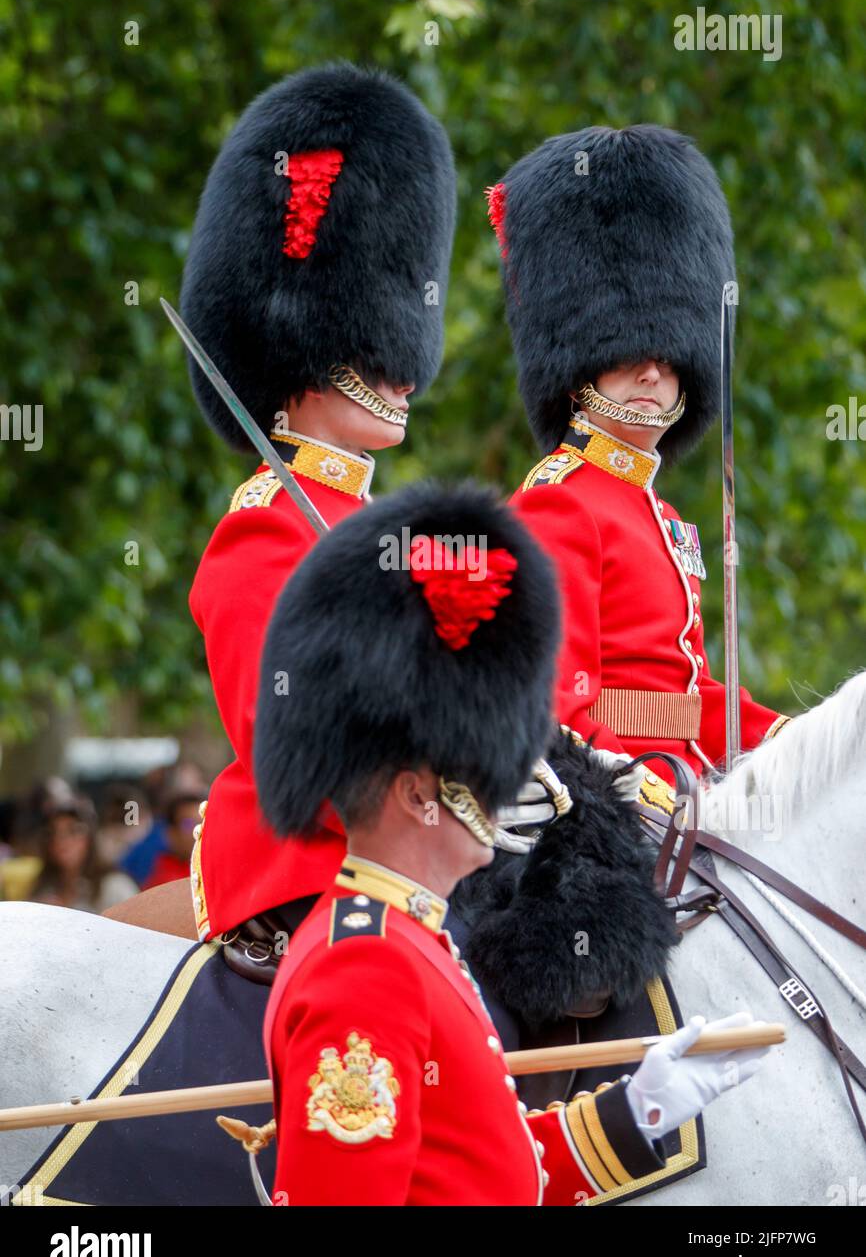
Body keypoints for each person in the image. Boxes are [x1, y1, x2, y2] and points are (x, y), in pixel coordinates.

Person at [255, 480, 770, 1205]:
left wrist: (642, 1108)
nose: (513, 787)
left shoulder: (412, 943)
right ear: (416, 795)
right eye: (482, 769)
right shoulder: (364, 970)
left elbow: (492, 1172)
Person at [113, 64, 456, 941]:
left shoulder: (379, 528)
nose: (406, 374)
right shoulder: (267, 523)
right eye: (379, 351)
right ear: (311, 357)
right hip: (305, 875)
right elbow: (287, 736)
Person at [488, 125, 789, 789]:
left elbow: (698, 701)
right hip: (605, 808)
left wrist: (807, 743)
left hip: (685, 799)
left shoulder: (664, 517)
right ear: (579, 371)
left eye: (669, 358)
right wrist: (645, 788)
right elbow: (552, 706)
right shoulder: (557, 503)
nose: (653, 374)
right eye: (629, 356)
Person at [28, 794, 137, 913]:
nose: (62, 840)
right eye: (53, 832)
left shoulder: (115, 887)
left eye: (74, 830)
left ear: (91, 837)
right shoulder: (44, 887)